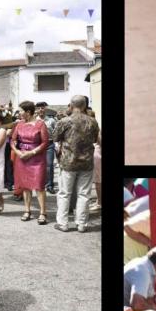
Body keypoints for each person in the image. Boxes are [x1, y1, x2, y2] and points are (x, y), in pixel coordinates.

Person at [52, 95, 99, 233]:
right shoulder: (92, 122)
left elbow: (55, 137)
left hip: (68, 162)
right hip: (86, 162)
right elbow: (95, 138)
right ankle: (81, 224)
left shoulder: (65, 121)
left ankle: (63, 223)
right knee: (84, 194)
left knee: (65, 193)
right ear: (85, 106)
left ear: (71, 106)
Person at [11, 101, 50, 225]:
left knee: (39, 186)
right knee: (25, 186)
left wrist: (32, 153)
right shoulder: (19, 124)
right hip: (22, 157)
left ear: (28, 112)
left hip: (36, 158)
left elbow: (45, 142)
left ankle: (43, 212)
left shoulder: (40, 124)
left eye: (21, 111)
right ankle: (27, 210)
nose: (19, 113)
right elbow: (12, 140)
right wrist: (17, 152)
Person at [123, 246, 156, 311]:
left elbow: (148, 298)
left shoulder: (143, 264)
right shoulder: (143, 272)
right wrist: (152, 308)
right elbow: (137, 304)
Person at [33, 102, 58, 194]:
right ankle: (39, 184)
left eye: (42, 108)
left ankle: (50, 185)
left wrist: (57, 144)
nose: (40, 110)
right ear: (36, 110)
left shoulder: (51, 121)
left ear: (45, 109)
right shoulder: (34, 121)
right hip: (37, 145)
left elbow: (56, 133)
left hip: (49, 145)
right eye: (38, 108)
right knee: (38, 165)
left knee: (49, 165)